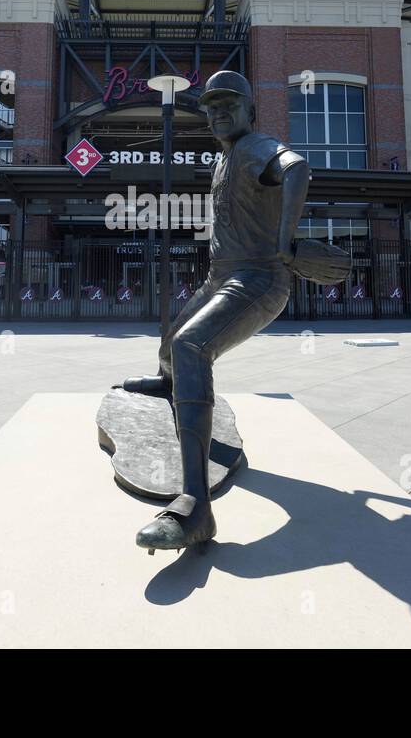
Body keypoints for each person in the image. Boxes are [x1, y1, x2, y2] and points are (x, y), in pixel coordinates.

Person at [119, 69, 315, 553]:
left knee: (190, 346)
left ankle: (196, 508)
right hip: (220, 277)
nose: (218, 112)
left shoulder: (255, 146)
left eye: (229, 104)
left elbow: (297, 168)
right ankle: (170, 383)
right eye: (211, 107)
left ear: (251, 110)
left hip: (258, 278)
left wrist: (286, 239)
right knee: (171, 341)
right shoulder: (227, 157)